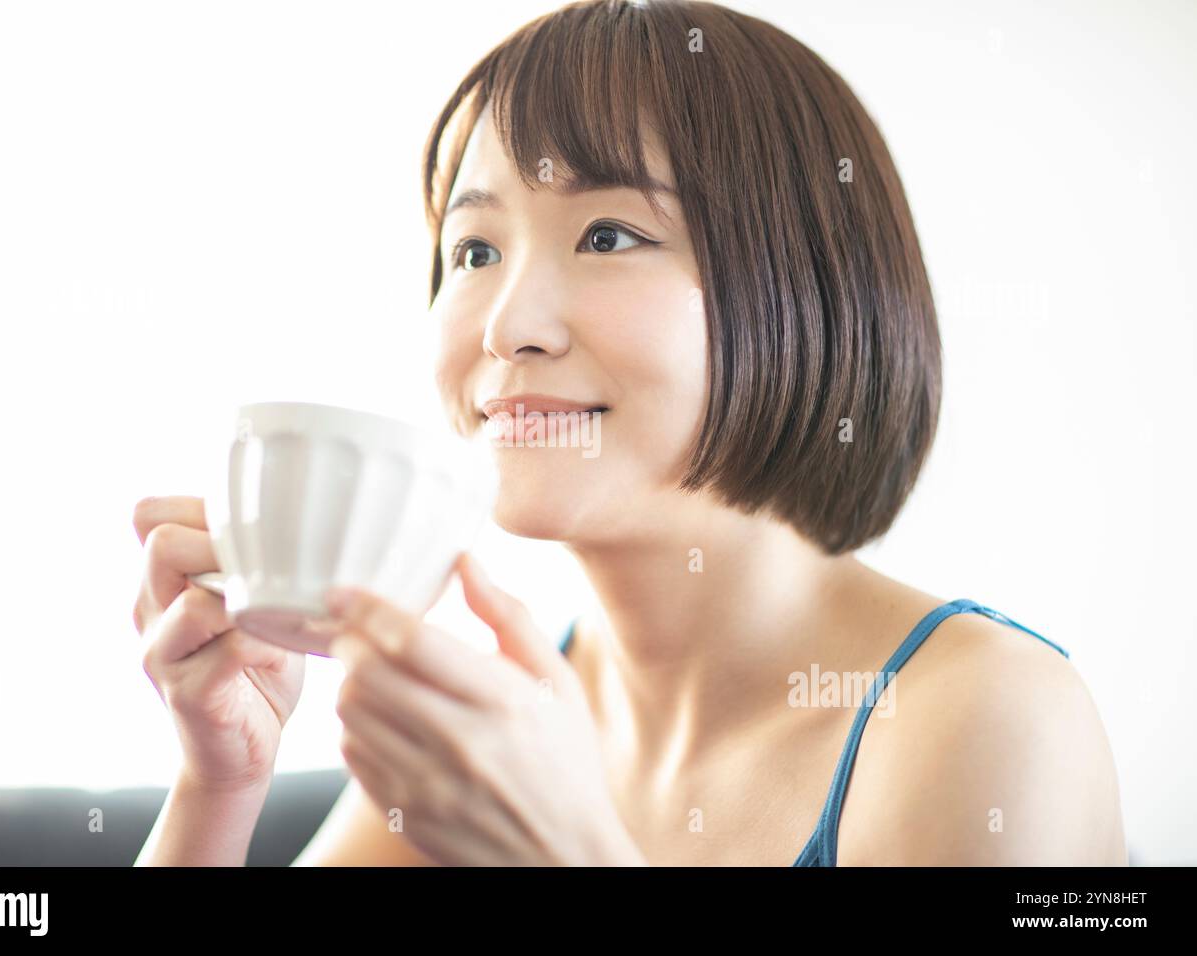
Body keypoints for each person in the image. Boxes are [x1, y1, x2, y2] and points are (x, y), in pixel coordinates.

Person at [131, 0, 1126, 866]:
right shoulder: (512, 714)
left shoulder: (990, 716)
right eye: (473, 248)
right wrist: (219, 782)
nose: (508, 325)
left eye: (609, 235)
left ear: (801, 289)